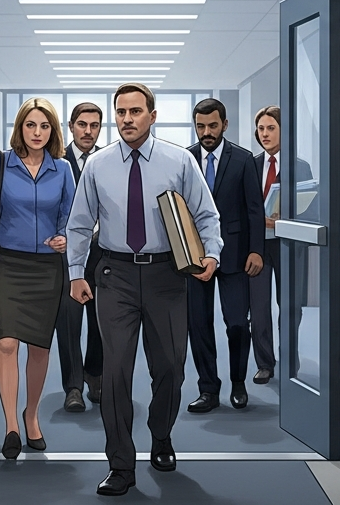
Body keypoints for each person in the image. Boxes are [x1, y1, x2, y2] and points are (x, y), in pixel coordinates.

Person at [67, 83, 223, 497]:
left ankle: (161, 434)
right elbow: (80, 223)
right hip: (113, 276)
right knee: (115, 373)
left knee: (170, 367)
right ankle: (120, 464)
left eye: (136, 111)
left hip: (167, 276)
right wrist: (75, 273)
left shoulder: (178, 161)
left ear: (152, 116)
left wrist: (212, 255)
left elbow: (207, 215)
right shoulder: (98, 165)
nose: (127, 119)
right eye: (120, 112)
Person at [0, 98, 77, 459]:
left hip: (47, 269)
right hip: (8, 267)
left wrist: (65, 238)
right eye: (31, 125)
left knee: (40, 348)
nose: (37, 133)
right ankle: (12, 424)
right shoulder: (0, 163)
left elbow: (73, 219)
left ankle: (32, 414)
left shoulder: (63, 169)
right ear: (20, 128)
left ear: (53, 131)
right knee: (7, 345)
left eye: (44, 126)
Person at [186, 98, 265, 412]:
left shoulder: (243, 160)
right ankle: (208, 389)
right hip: (194, 256)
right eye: (201, 126)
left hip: (234, 255)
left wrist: (256, 250)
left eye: (213, 126)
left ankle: (238, 383)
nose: (207, 132)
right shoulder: (185, 159)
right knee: (199, 325)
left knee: (236, 324)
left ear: (225, 125)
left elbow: (254, 210)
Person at [248, 106, 313, 383]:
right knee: (259, 308)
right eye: (261, 129)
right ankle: (265, 363)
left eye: (270, 128)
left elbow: (310, 208)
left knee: (289, 307)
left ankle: (290, 362)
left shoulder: (300, 167)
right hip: (258, 247)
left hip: (288, 245)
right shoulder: (250, 164)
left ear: (283, 130)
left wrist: (283, 220)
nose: (264, 134)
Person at [55, 101, 106, 412]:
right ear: (71, 126)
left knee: (102, 321)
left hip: (104, 253)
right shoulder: (56, 161)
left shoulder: (109, 160)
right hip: (66, 256)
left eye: (95, 125)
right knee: (69, 323)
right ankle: (73, 386)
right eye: (82, 124)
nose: (88, 131)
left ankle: (95, 374)